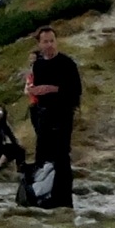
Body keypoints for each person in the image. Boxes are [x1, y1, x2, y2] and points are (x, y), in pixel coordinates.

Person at [23, 28, 81, 208]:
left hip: (63, 114)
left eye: (52, 41)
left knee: (61, 157)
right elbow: (36, 89)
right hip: (43, 114)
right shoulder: (38, 65)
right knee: (42, 155)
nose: (49, 45)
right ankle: (43, 195)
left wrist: (53, 89)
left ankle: (64, 200)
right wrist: (36, 92)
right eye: (45, 42)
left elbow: (76, 91)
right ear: (39, 44)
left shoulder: (67, 63)